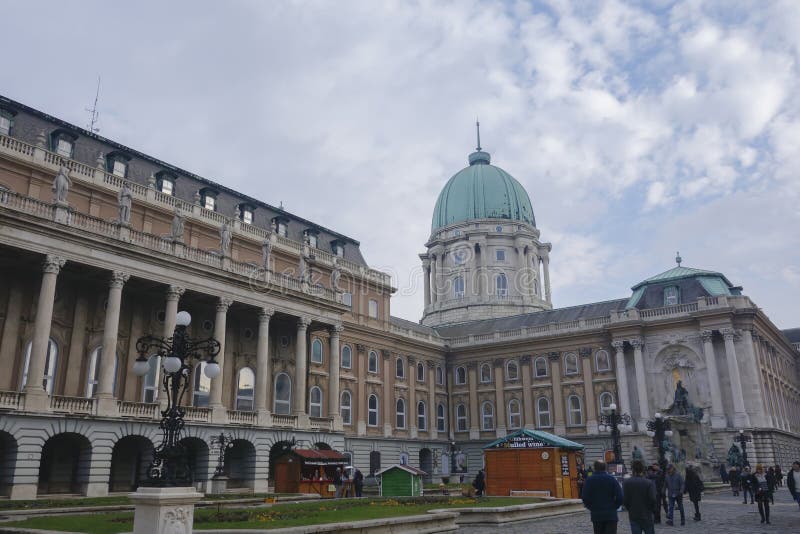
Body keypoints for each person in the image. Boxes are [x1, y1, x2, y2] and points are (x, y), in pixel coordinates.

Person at [581, 460, 623, 534]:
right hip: (611, 514)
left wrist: (591, 507)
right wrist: (615, 506)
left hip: (596, 515)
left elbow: (585, 497)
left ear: (595, 468)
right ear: (605, 468)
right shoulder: (612, 479)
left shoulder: (589, 480)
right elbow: (620, 496)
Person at [623, 460, 656, 534]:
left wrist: (630, 508)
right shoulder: (648, 483)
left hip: (634, 515)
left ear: (632, 469)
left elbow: (625, 500)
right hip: (647, 514)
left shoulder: (627, 483)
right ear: (642, 469)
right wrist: (651, 510)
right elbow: (653, 499)